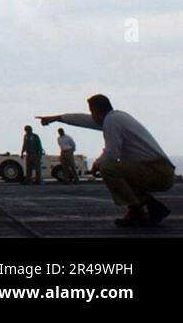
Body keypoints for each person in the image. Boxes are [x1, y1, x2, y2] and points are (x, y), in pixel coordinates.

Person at [39, 96, 175, 227]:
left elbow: (112, 153)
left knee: (109, 168)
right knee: (116, 172)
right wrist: (57, 118)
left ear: (96, 110)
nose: (91, 116)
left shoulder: (112, 121)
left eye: (91, 112)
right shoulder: (117, 117)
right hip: (160, 171)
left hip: (157, 172)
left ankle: (137, 211)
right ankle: (152, 207)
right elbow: (82, 119)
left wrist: (97, 164)